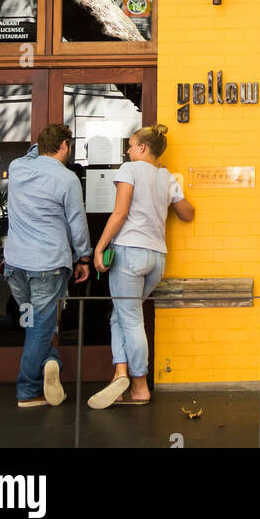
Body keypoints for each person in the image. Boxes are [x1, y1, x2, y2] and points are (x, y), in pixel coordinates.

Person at [88, 123, 194, 408]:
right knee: (121, 315)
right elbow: (187, 214)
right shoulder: (167, 176)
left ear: (143, 148)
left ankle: (139, 386)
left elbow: (120, 213)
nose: (128, 149)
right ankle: (119, 375)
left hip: (129, 253)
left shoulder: (129, 169)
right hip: (156, 257)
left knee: (131, 318)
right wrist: (172, 189)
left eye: (132, 144)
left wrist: (99, 247)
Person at [4, 124, 91, 409]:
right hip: (47, 265)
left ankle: (50, 359)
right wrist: (84, 258)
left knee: (32, 324)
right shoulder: (66, 179)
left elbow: (34, 154)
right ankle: (27, 390)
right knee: (41, 328)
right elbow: (77, 224)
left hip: (15, 265)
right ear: (65, 146)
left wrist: (41, 146)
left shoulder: (17, 168)